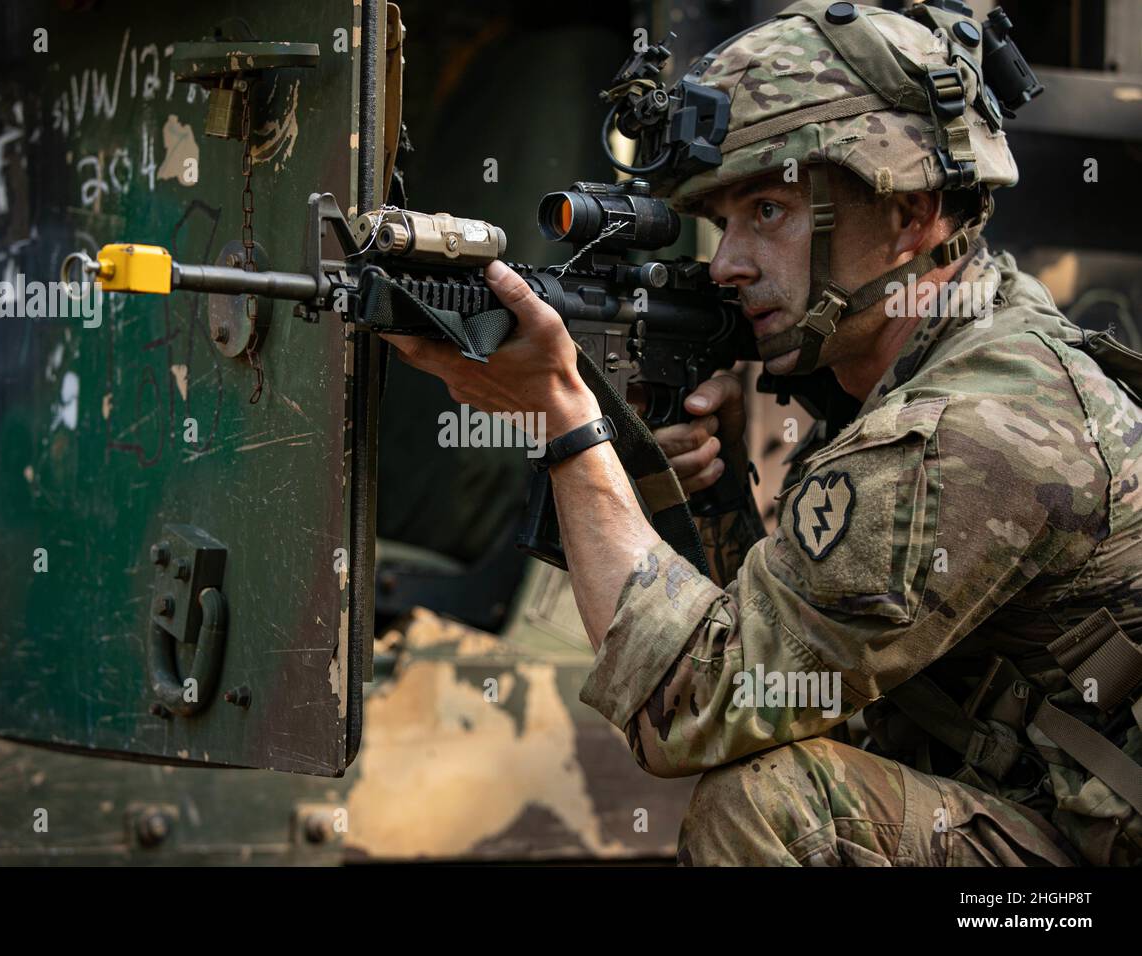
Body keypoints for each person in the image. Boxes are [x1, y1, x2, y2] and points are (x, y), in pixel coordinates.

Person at [382, 0, 1142, 866]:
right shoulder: (910, 372)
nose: (726, 263)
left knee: (775, 808)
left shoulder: (975, 427)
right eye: (721, 220)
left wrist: (566, 420)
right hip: (1042, 823)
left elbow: (687, 710)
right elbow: (799, 679)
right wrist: (715, 490)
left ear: (911, 213)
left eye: (770, 210)